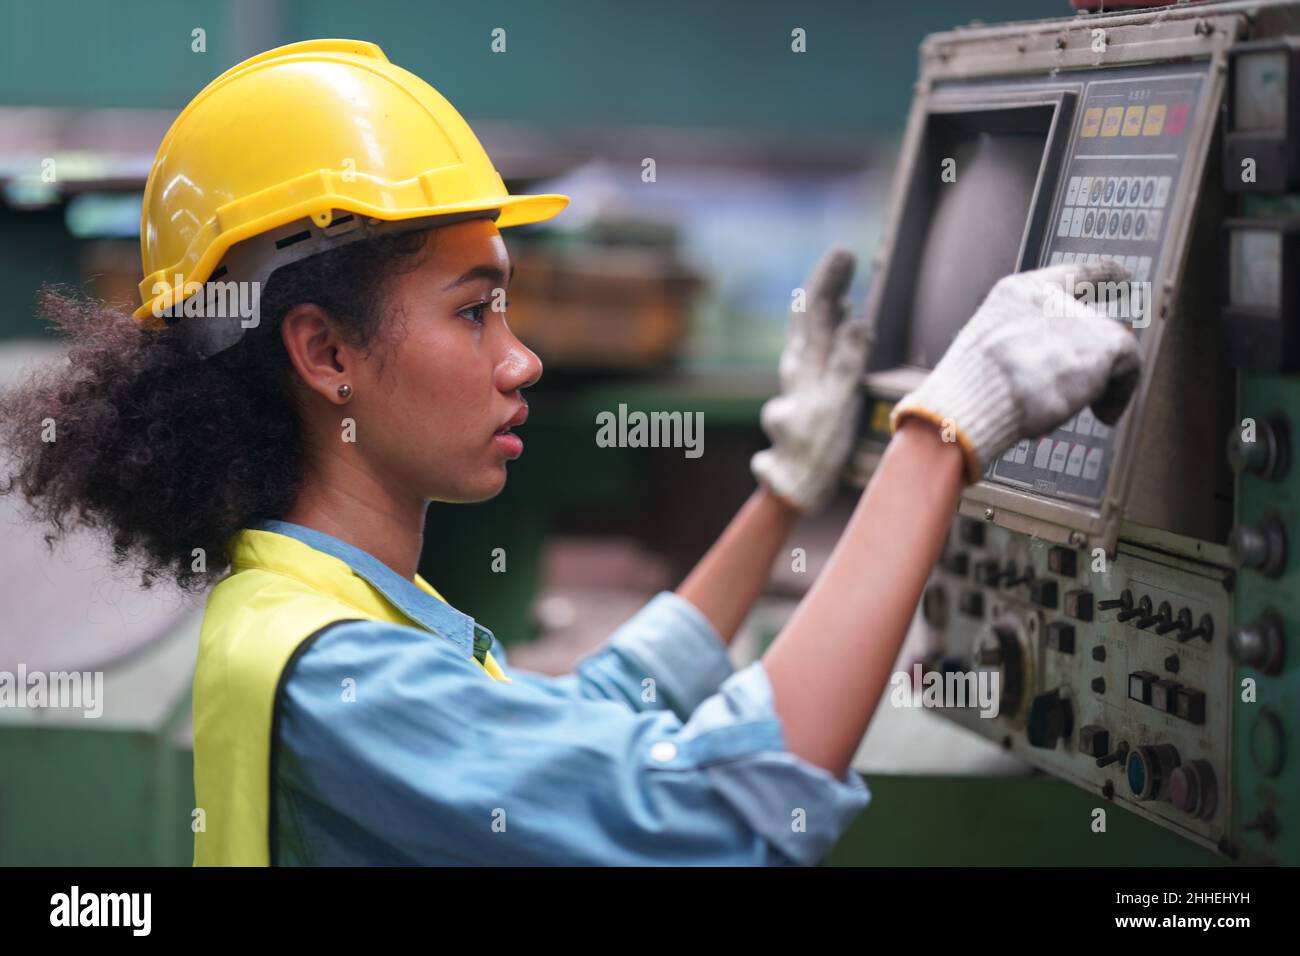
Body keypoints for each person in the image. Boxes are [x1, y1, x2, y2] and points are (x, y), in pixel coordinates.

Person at [0, 40, 1139, 866]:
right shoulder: (341, 673)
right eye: (472, 311)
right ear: (324, 350)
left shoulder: (316, 610)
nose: (521, 360)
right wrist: (942, 437)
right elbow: (721, 822)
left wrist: (786, 485)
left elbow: (586, 721)